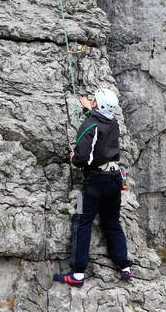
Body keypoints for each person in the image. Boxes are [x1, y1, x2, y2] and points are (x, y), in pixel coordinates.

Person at [53, 85, 132, 287]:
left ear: (97, 104)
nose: (92, 101)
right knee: (112, 222)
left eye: (94, 100)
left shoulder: (89, 125)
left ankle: (77, 274)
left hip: (95, 182)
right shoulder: (113, 123)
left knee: (81, 221)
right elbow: (102, 125)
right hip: (115, 180)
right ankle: (124, 266)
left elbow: (82, 159)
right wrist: (91, 109)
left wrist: (73, 158)